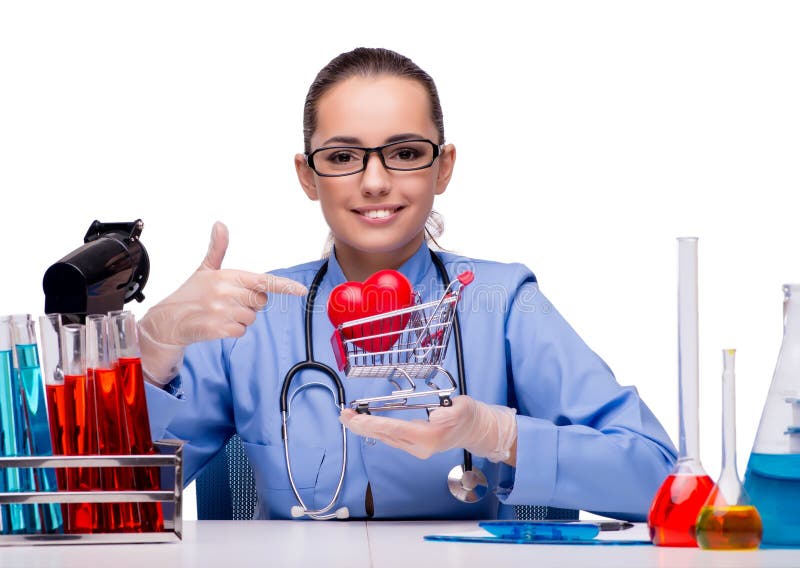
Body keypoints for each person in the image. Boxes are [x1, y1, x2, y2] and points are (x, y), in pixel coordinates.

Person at [140, 47, 677, 521]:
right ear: (308, 175)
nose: (375, 182)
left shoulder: (503, 305)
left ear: (443, 167)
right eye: (344, 157)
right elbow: (108, 502)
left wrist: (502, 436)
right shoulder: (247, 317)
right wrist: (149, 357)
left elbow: (661, 479)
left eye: (404, 153)